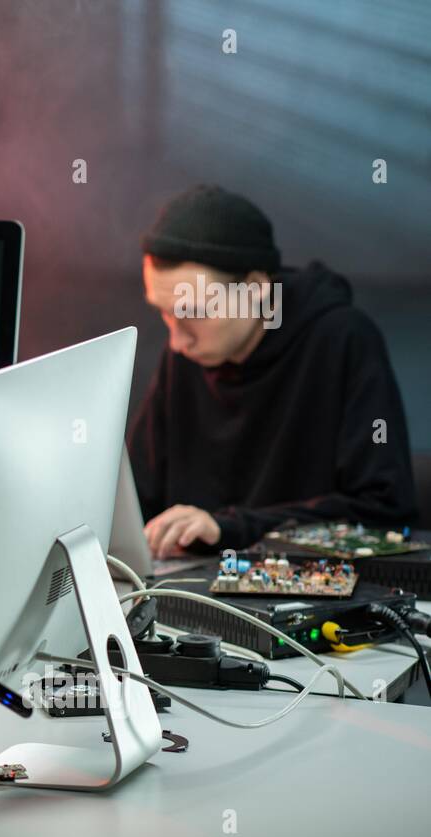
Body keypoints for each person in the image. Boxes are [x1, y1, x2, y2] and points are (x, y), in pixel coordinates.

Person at [127, 184, 417, 558]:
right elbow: (134, 498)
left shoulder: (342, 340)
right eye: (164, 313)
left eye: (193, 313)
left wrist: (229, 528)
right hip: (190, 596)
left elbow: (386, 513)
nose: (178, 341)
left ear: (256, 289)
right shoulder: (184, 354)